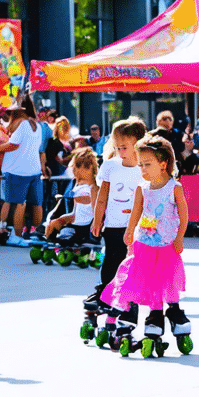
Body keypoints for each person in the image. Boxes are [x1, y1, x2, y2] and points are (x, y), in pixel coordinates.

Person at [100, 134, 192, 354]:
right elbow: (137, 210)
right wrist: (130, 230)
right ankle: (148, 317)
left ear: (163, 164)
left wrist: (179, 237)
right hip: (145, 243)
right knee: (144, 281)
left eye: (147, 164)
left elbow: (184, 214)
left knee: (164, 282)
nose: (142, 169)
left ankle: (170, 315)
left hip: (167, 245)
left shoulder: (174, 187)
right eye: (140, 164)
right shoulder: (143, 187)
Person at [87, 117, 149, 343]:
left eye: (125, 147)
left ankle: (127, 308)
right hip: (112, 226)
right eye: (118, 147)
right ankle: (105, 301)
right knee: (110, 264)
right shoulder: (111, 165)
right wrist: (97, 219)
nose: (121, 151)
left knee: (130, 269)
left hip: (135, 229)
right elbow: (102, 196)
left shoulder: (145, 168)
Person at [0, 96, 47, 245]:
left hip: (16, 170)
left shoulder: (22, 125)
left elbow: (14, 145)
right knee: (37, 204)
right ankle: (36, 232)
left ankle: (16, 236)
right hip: (33, 170)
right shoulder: (38, 126)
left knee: (17, 203)